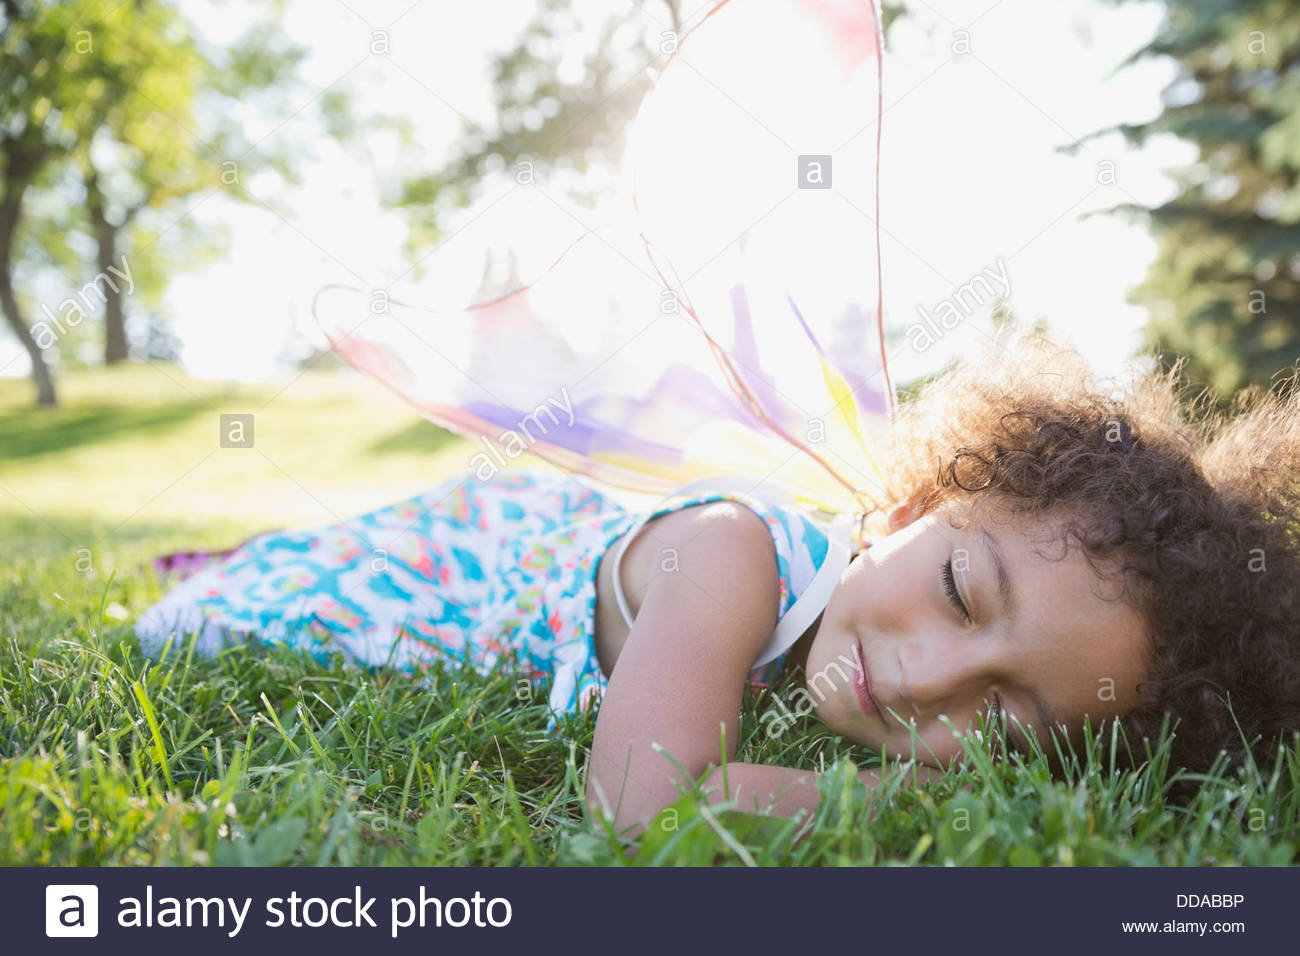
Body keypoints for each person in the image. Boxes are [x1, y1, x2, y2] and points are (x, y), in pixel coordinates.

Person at [136, 336, 1300, 832]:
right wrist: (907, 804)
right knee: (224, 602)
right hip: (436, 564)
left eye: (1010, 715)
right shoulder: (738, 549)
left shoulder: (854, 645)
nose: (925, 677)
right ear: (902, 510)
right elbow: (643, 802)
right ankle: (221, 562)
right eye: (957, 589)